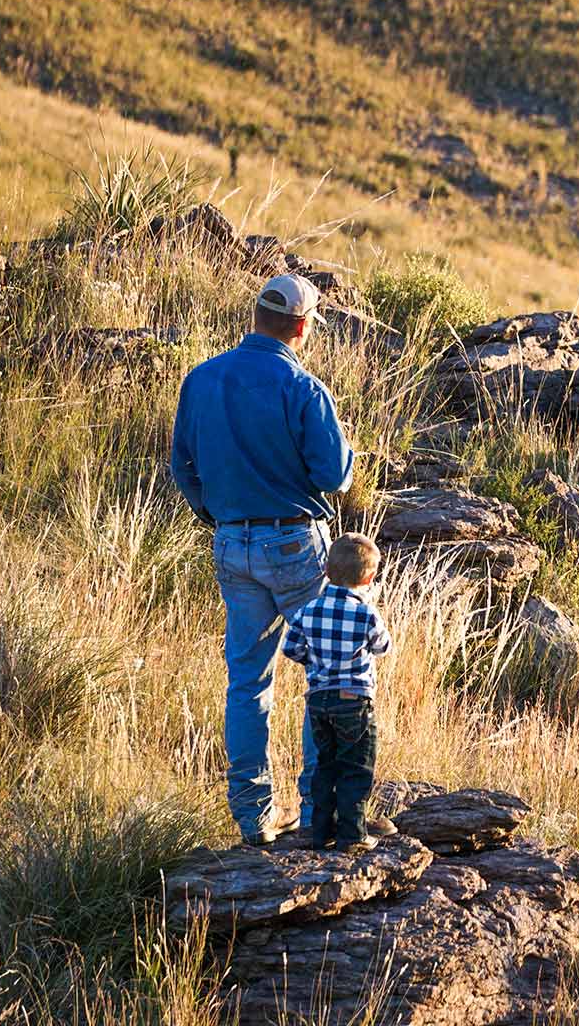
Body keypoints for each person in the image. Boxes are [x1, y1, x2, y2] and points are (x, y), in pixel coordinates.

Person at [170, 272, 354, 845]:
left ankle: (254, 816)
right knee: (328, 671)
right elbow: (336, 475)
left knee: (248, 681)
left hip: (231, 542)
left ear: (256, 315)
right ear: (302, 327)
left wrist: (216, 517)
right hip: (296, 544)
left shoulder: (201, 379)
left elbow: (184, 468)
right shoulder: (302, 388)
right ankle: (316, 805)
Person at [281, 533, 391, 853]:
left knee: (325, 765)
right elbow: (383, 646)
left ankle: (320, 832)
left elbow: (290, 648)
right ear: (369, 577)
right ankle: (352, 834)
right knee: (356, 766)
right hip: (354, 700)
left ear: (327, 571)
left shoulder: (309, 610)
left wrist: (315, 662)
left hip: (318, 699)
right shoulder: (366, 613)